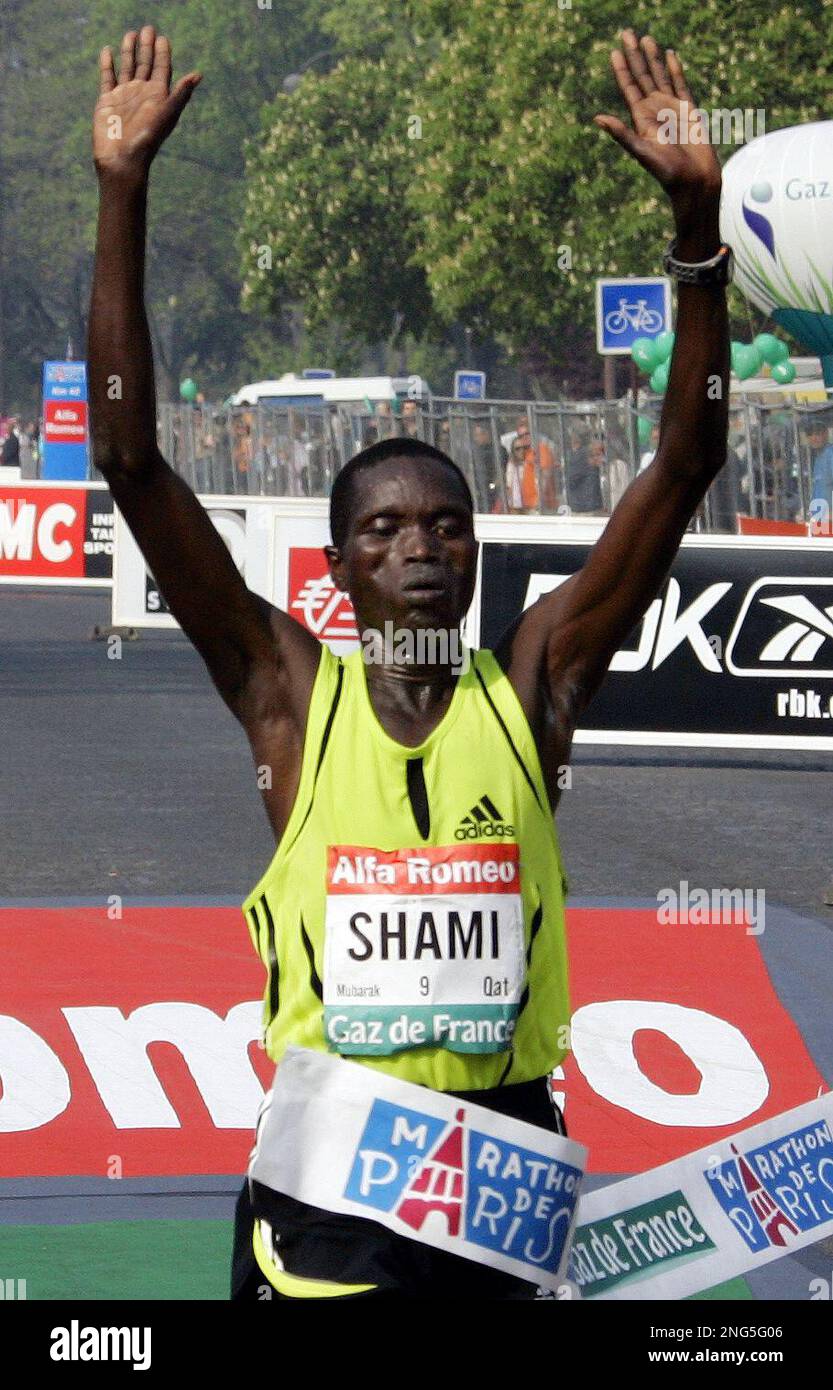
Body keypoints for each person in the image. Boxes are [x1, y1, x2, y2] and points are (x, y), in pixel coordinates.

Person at [89, 25, 730, 1300]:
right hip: (333, 1184)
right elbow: (130, 462)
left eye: (445, 524)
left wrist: (696, 238)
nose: (419, 548)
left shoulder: (537, 681)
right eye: (383, 530)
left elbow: (684, 465)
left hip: (501, 1171)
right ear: (338, 572)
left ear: (478, 553)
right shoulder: (285, 699)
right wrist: (122, 194)